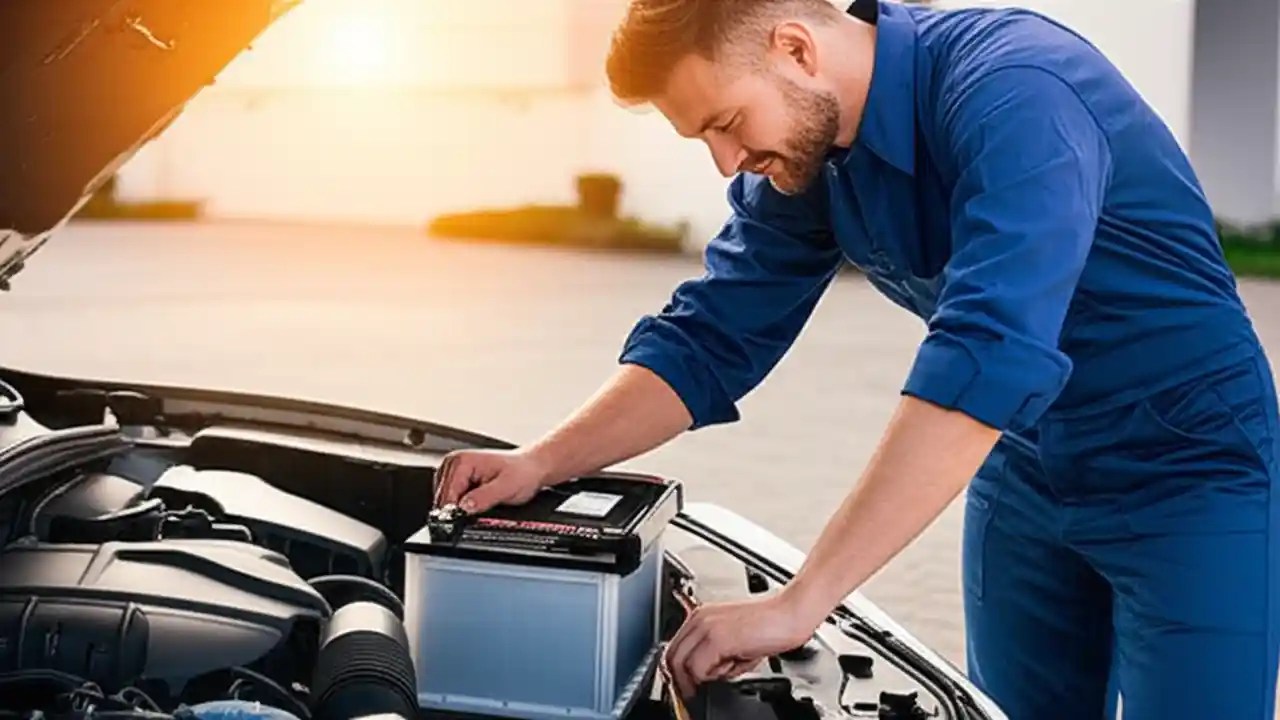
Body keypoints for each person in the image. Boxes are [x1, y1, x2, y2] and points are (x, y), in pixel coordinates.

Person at [434, 0, 1280, 717]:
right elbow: (707, 338)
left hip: (1189, 474)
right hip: (1019, 471)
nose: (727, 162)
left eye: (726, 124)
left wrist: (803, 603)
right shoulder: (810, 159)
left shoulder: (1018, 92)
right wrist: (541, 460)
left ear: (795, 48)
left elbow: (985, 353)